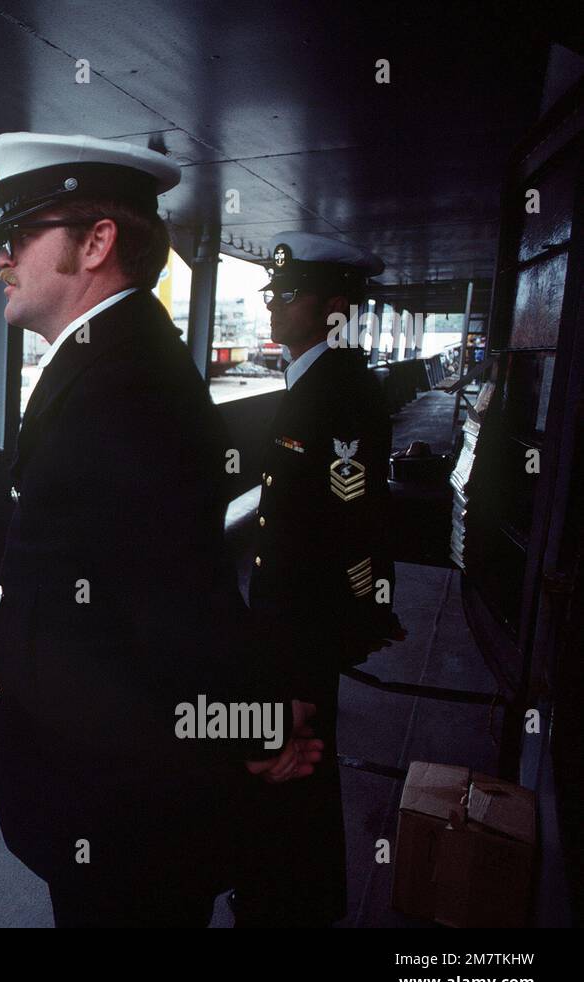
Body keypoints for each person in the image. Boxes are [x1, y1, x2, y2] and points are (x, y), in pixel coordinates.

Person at [0, 132, 321, 928]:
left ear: (97, 243)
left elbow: (177, 605)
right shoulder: (110, 362)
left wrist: (255, 723)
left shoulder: (124, 388)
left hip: (126, 802)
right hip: (105, 781)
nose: (2, 258)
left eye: (20, 236)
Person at [232, 232, 401, 927]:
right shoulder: (311, 380)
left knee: (296, 757)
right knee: (295, 760)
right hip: (286, 619)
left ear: (333, 307)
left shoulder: (343, 394)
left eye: (289, 293)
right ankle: (289, 893)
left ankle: (286, 903)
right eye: (272, 291)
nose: (274, 303)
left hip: (303, 625)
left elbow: (350, 526)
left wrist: (319, 655)